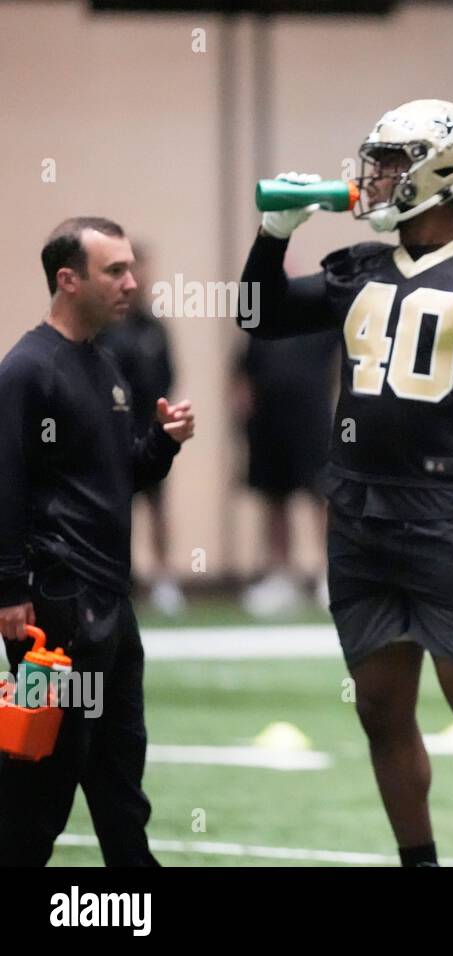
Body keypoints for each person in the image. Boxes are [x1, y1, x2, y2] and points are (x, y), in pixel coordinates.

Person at [238, 100, 453, 867]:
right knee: (381, 709)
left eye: (390, 164)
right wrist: (272, 237)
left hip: (448, 514)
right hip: (357, 511)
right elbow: (258, 314)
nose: (373, 178)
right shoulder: (358, 265)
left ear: (444, 174)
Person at [0, 217, 195, 865]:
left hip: (111, 603)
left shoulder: (106, 364)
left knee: (119, 771)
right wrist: (9, 589)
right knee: (41, 778)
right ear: (68, 280)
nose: (131, 283)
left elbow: (121, 476)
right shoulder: (26, 370)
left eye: (131, 268)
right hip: (53, 611)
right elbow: (5, 482)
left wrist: (162, 444)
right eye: (115, 270)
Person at [95, 245, 185, 617]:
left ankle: (163, 578)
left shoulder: (154, 328)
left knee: (157, 504)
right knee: (115, 509)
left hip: (149, 431)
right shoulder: (104, 329)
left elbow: (169, 375)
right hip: (112, 434)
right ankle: (117, 575)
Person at [231, 330, 337, 616]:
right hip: (268, 415)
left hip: (312, 413)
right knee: (274, 495)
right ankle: (281, 575)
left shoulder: (322, 315)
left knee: (321, 496)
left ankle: (331, 574)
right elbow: (244, 365)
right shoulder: (264, 319)